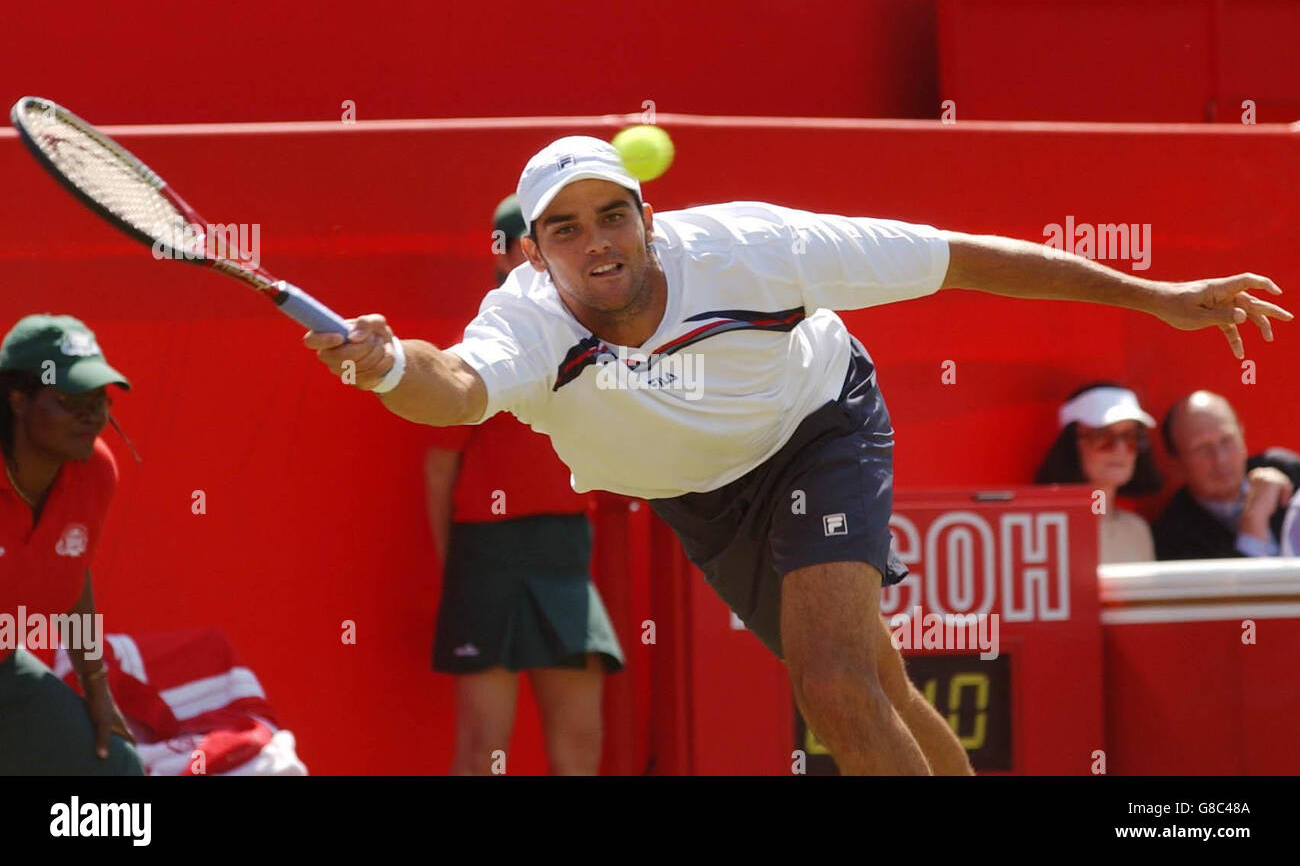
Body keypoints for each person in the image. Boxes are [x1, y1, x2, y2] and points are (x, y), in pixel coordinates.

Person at [303, 135, 1291, 775]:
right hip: (703, 495)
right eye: (565, 228)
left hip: (819, 428)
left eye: (613, 214)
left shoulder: (752, 248)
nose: (595, 241)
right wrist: (387, 365)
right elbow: (456, 387)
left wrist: (1154, 295)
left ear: (647, 218)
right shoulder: (526, 321)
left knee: (829, 681)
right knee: (878, 684)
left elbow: (967, 259)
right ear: (536, 254)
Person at [425, 195, 624, 776]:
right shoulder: (476, 337)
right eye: (556, 237)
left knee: (583, 734)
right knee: (485, 742)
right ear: (518, 250)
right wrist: (455, 572)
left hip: (565, 548)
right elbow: (439, 470)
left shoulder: (594, 327)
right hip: (487, 551)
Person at [0, 315, 142, 775]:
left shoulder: (94, 470)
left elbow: (69, 572)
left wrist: (95, 684)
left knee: (115, 768)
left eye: (98, 398)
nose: (91, 415)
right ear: (18, 400)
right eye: (70, 399)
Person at [1152, 390, 1300, 560]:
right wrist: (1254, 519)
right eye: (1201, 448)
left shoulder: (1288, 470)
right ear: (1177, 463)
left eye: (1226, 440)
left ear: (1242, 436)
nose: (1220, 459)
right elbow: (1236, 586)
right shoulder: (1172, 535)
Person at [1034, 383, 1162, 563]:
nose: (1120, 449)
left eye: (1131, 437)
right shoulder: (1048, 530)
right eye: (1102, 436)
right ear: (1072, 444)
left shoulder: (1136, 530)